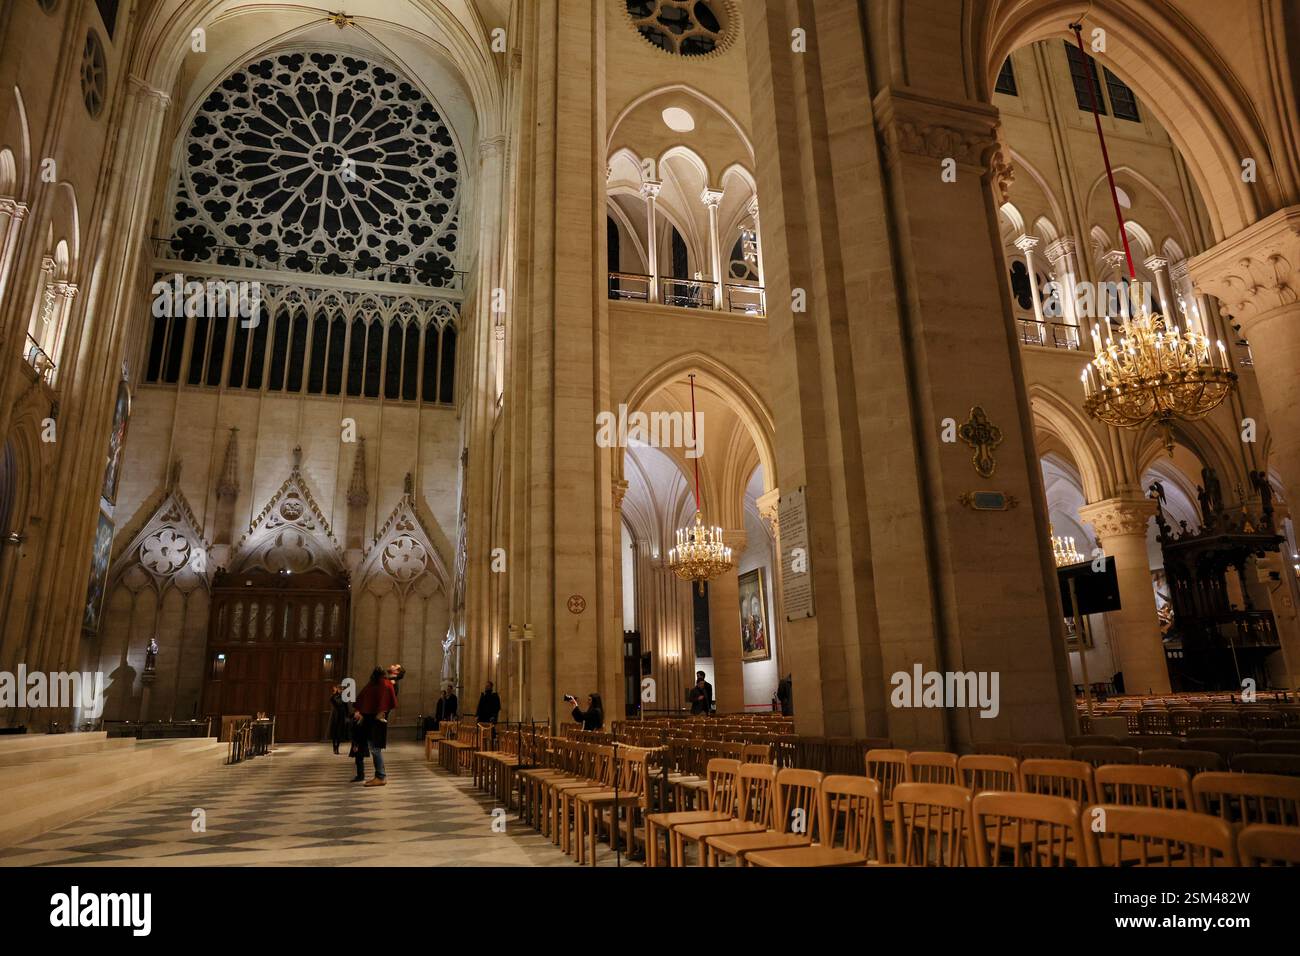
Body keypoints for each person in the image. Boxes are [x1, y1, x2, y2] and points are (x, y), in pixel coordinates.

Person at [353, 666, 398, 786]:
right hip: (375, 720)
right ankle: (380, 775)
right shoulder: (384, 684)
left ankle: (381, 776)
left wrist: (380, 711)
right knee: (375, 748)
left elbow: (364, 699)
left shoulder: (379, 684)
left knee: (375, 748)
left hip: (375, 721)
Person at [328, 684, 350, 754]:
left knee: (339, 733)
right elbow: (332, 701)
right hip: (334, 716)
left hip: (341, 716)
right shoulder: (333, 696)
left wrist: (347, 716)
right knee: (334, 732)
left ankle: (337, 747)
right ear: (337, 689)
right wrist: (334, 693)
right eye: (340, 689)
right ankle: (334, 747)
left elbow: (346, 707)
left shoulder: (344, 697)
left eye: (342, 689)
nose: (341, 690)